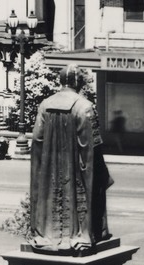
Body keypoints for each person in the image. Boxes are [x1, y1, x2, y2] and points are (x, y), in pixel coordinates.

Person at [28, 67, 113, 253]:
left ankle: (48, 234)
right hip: (75, 170)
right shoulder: (85, 106)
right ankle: (83, 234)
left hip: (51, 170)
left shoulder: (45, 104)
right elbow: (93, 146)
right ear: (79, 83)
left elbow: (37, 140)